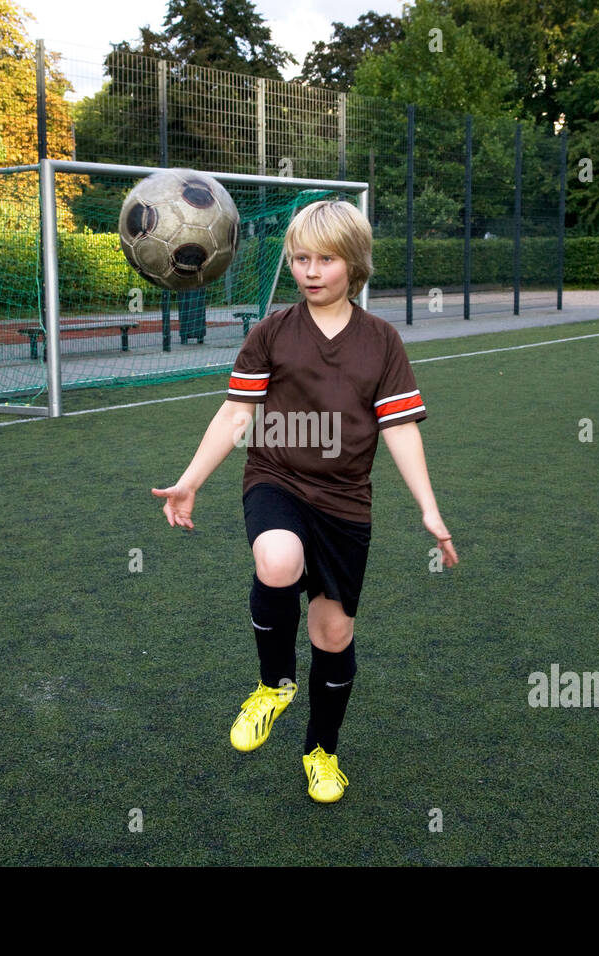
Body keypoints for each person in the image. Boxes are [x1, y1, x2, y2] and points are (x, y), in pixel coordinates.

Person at [151, 199, 459, 803]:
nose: (311, 271)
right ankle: (273, 684)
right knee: (277, 559)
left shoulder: (382, 342)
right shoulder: (272, 333)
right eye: (300, 259)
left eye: (326, 259)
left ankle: (321, 751)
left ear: (355, 264)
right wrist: (191, 480)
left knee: (333, 635)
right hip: (276, 478)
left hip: (345, 502)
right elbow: (238, 412)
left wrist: (428, 506)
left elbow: (399, 427)